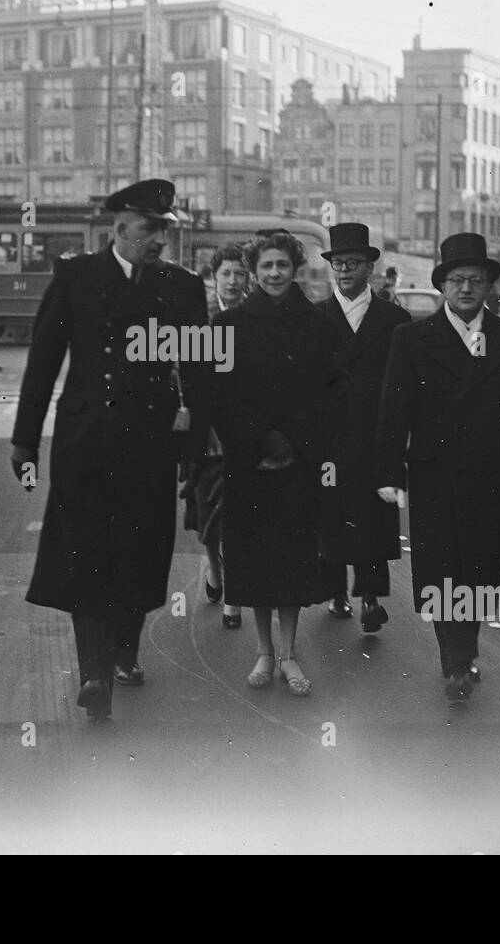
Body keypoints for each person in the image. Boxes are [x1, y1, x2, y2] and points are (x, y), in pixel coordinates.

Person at [11, 179, 211, 720]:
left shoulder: (182, 287)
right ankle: (94, 672)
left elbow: (199, 370)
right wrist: (24, 439)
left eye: (165, 232)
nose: (159, 242)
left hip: (150, 445)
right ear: (119, 229)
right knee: (86, 553)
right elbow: (44, 362)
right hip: (85, 441)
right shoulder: (76, 278)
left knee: (140, 552)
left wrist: (196, 446)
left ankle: (125, 648)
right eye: (150, 231)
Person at [375, 232, 500, 700]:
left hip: (493, 472)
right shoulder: (412, 338)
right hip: (434, 471)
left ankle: (466, 646)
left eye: (474, 280)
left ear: (487, 287)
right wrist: (388, 473)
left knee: (480, 566)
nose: (465, 289)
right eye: (456, 280)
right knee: (440, 565)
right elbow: (393, 409)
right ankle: (456, 657)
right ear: (442, 285)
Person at [212, 231, 347, 697]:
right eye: (266, 266)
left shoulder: (319, 326)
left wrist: (291, 440)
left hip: (298, 459)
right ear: (254, 271)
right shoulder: (228, 327)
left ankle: (289, 654)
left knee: (291, 557)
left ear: (295, 269)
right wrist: (259, 439)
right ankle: (263, 651)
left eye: (282, 266)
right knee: (254, 557)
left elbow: (331, 393)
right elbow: (220, 396)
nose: (274, 274)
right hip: (249, 462)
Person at [316, 223, 411, 632]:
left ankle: (371, 597)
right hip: (330, 438)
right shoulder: (316, 318)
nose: (344, 271)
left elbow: (406, 384)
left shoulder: (395, 320)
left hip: (377, 435)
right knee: (332, 514)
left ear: (371, 267)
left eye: (352, 263)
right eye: (338, 263)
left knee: (373, 514)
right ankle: (336, 592)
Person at [183, 243, 248, 629]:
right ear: (214, 278)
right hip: (207, 432)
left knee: (239, 515)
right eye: (226, 273)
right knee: (205, 509)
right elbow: (187, 375)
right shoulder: (200, 319)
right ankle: (213, 566)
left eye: (240, 273)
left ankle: (234, 600)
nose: (234, 281)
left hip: (243, 430)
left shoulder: (256, 317)